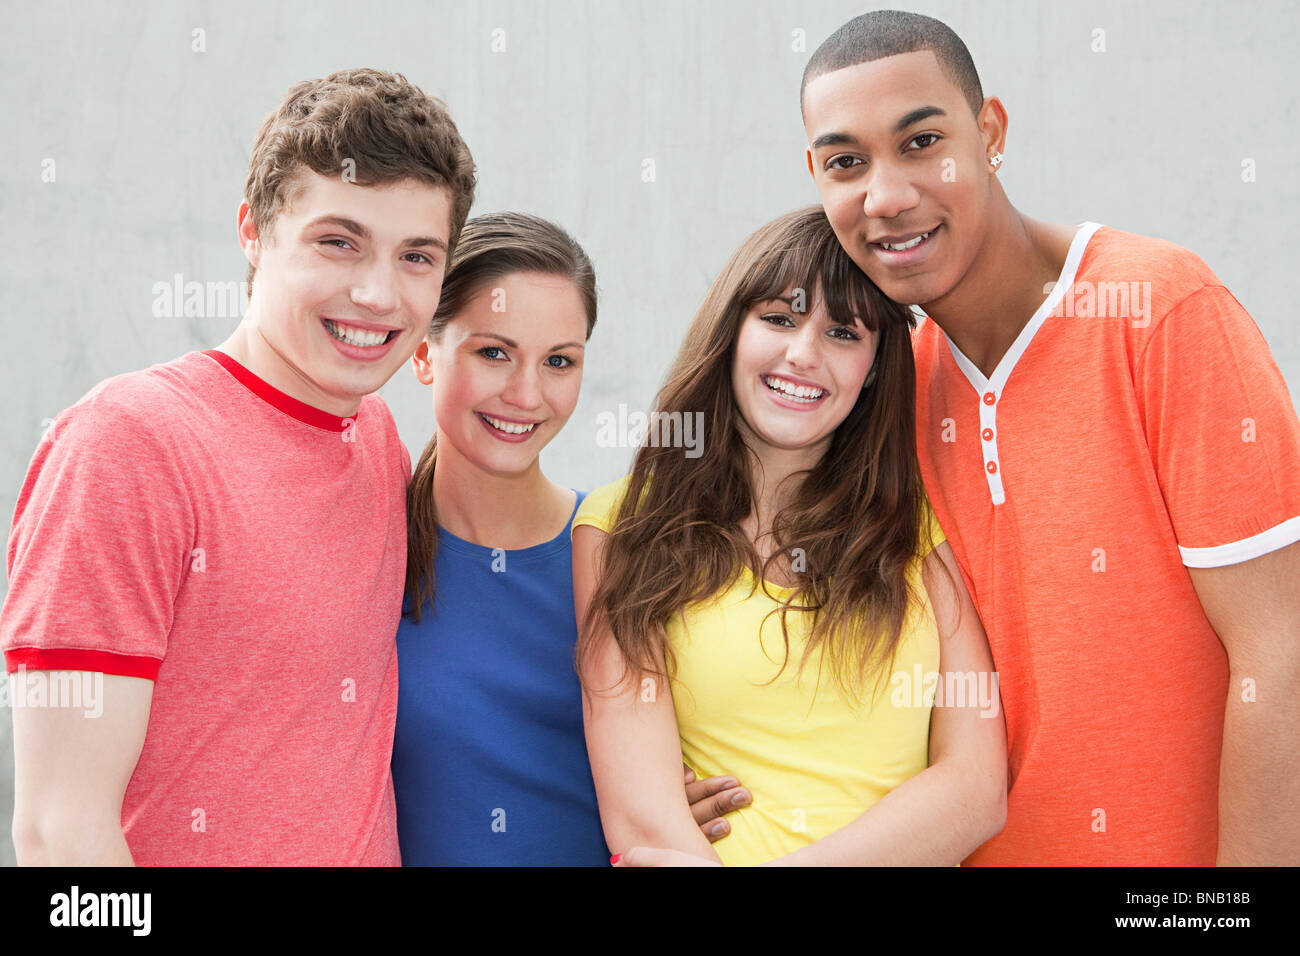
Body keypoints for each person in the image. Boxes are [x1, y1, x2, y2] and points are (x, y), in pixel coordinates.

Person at [799, 10, 1300, 865]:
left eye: (921, 142)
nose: (885, 196)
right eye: (848, 162)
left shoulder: (1158, 308)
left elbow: (1279, 647)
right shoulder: (885, 388)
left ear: (990, 131)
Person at [1, 69, 477, 865]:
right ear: (253, 232)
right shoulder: (126, 446)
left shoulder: (378, 438)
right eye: (338, 241)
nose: (377, 293)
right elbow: (59, 832)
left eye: (416, 257)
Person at [573, 206, 1007, 867]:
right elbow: (642, 818)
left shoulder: (914, 529)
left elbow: (975, 790)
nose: (803, 355)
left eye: (843, 333)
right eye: (778, 318)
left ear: (874, 367)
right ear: (730, 331)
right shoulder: (621, 526)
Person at [393, 212, 751, 865]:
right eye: (493, 352)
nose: (527, 394)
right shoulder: (375, 551)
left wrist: (662, 816)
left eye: (559, 361)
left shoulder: (620, 556)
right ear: (424, 353)